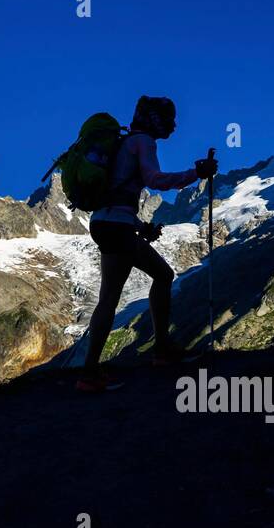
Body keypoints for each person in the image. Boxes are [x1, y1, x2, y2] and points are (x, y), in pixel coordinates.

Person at [76, 95, 216, 393]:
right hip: (118, 226)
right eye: (168, 120)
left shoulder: (123, 143)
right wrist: (196, 174)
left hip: (104, 223)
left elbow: (116, 194)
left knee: (111, 297)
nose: (173, 126)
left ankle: (92, 369)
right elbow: (155, 180)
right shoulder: (143, 143)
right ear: (154, 120)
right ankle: (158, 352)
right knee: (160, 277)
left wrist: (141, 226)